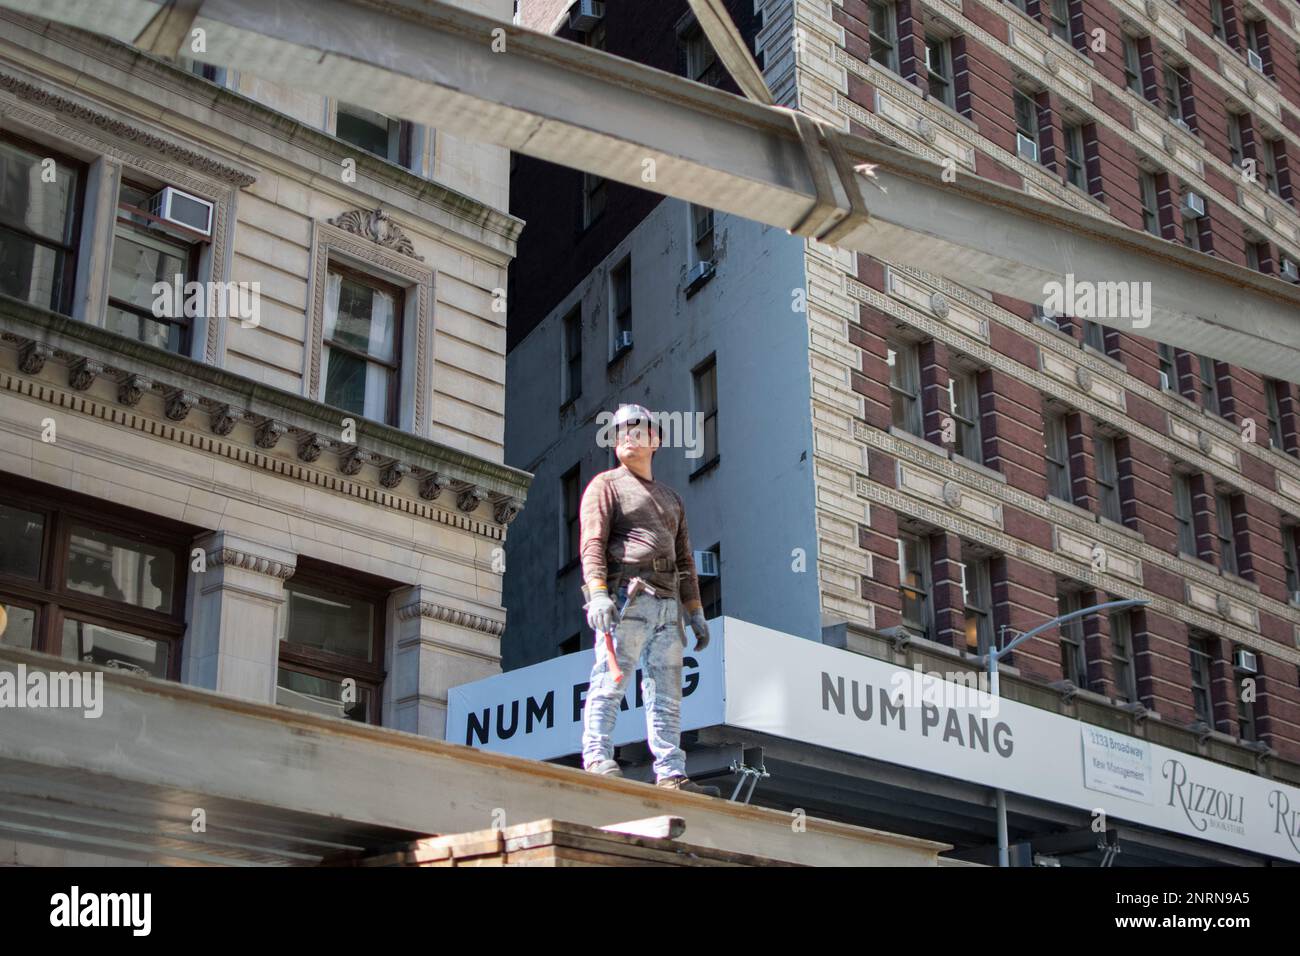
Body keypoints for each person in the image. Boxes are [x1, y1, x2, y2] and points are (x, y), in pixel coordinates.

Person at [578, 403, 717, 795]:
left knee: (667, 689)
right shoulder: (605, 485)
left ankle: (671, 771)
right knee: (610, 680)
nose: (626, 435)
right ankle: (596, 756)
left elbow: (686, 559)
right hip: (628, 596)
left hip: (667, 602)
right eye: (620, 430)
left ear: (655, 440)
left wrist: (695, 611)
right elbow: (591, 544)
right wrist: (599, 594)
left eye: (636, 429)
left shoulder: (672, 498)